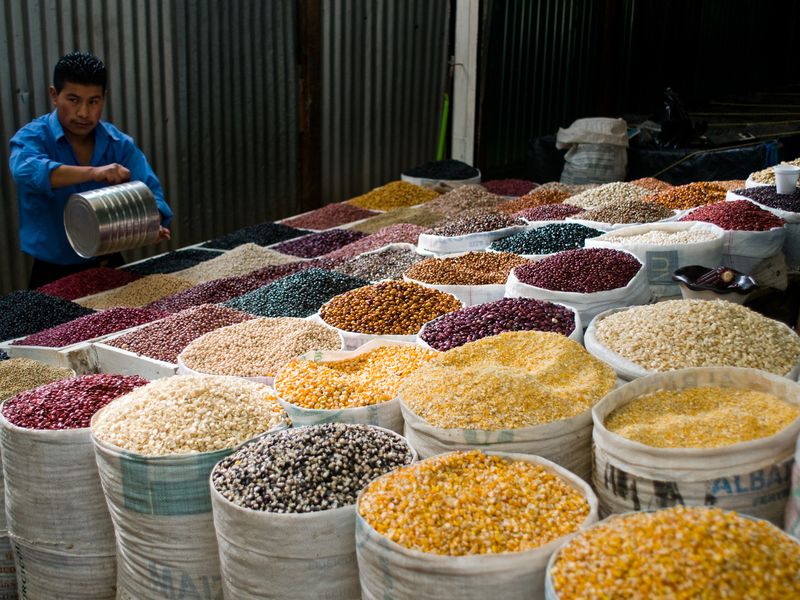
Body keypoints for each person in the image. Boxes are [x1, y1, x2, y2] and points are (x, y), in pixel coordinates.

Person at [9, 51, 173, 289]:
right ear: (54, 95)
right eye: (73, 100)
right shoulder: (32, 139)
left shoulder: (119, 144)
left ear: (103, 98)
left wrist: (146, 224)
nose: (84, 113)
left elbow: (152, 195)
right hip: (53, 273)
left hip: (108, 264)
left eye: (93, 101)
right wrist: (94, 173)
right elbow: (28, 172)